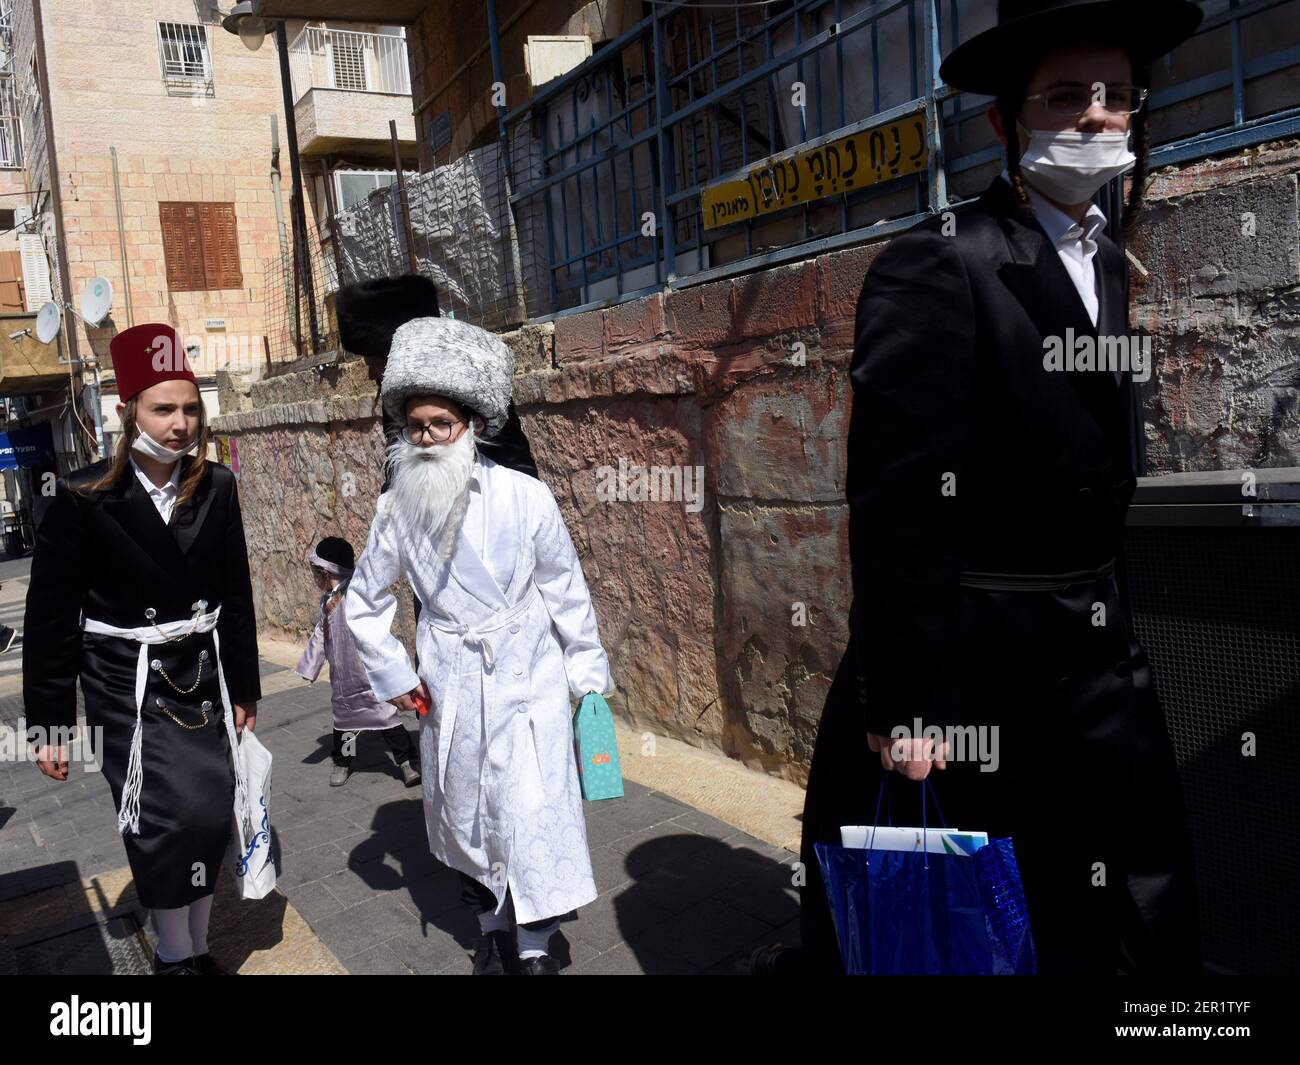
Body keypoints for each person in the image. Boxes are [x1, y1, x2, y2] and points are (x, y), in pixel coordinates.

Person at [786, 0, 1205, 976]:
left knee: (1125, 912)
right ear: (1005, 122)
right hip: (982, 677)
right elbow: (897, 500)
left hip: (1097, 669)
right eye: (1065, 98)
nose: (1094, 119)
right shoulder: (937, 261)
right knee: (981, 928)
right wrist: (908, 707)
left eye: (1115, 100)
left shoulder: (1106, 254)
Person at [344, 315, 612, 975]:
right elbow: (364, 601)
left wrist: (587, 680)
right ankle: (492, 929)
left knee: (530, 812)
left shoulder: (528, 497)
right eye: (417, 425)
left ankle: (536, 943)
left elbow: (566, 590)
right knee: (467, 810)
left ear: (473, 425)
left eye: (442, 423)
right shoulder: (393, 512)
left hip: (529, 678)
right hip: (451, 680)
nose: (429, 437)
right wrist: (395, 672)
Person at [23, 322, 261, 975]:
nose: (180, 422)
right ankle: (174, 953)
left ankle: (197, 945)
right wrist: (47, 726)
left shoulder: (216, 485)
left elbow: (234, 592)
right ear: (130, 412)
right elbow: (49, 620)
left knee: (210, 809)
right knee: (160, 816)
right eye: (163, 408)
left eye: (190, 408)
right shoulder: (82, 495)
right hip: (122, 680)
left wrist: (244, 686)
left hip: (198, 671)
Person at [295, 535, 421, 788]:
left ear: (325, 571)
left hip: (367, 672)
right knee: (346, 722)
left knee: (386, 717)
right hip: (343, 677)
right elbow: (321, 636)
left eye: (316, 573)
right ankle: (344, 762)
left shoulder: (358, 594)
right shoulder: (328, 603)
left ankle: (406, 761)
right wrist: (309, 667)